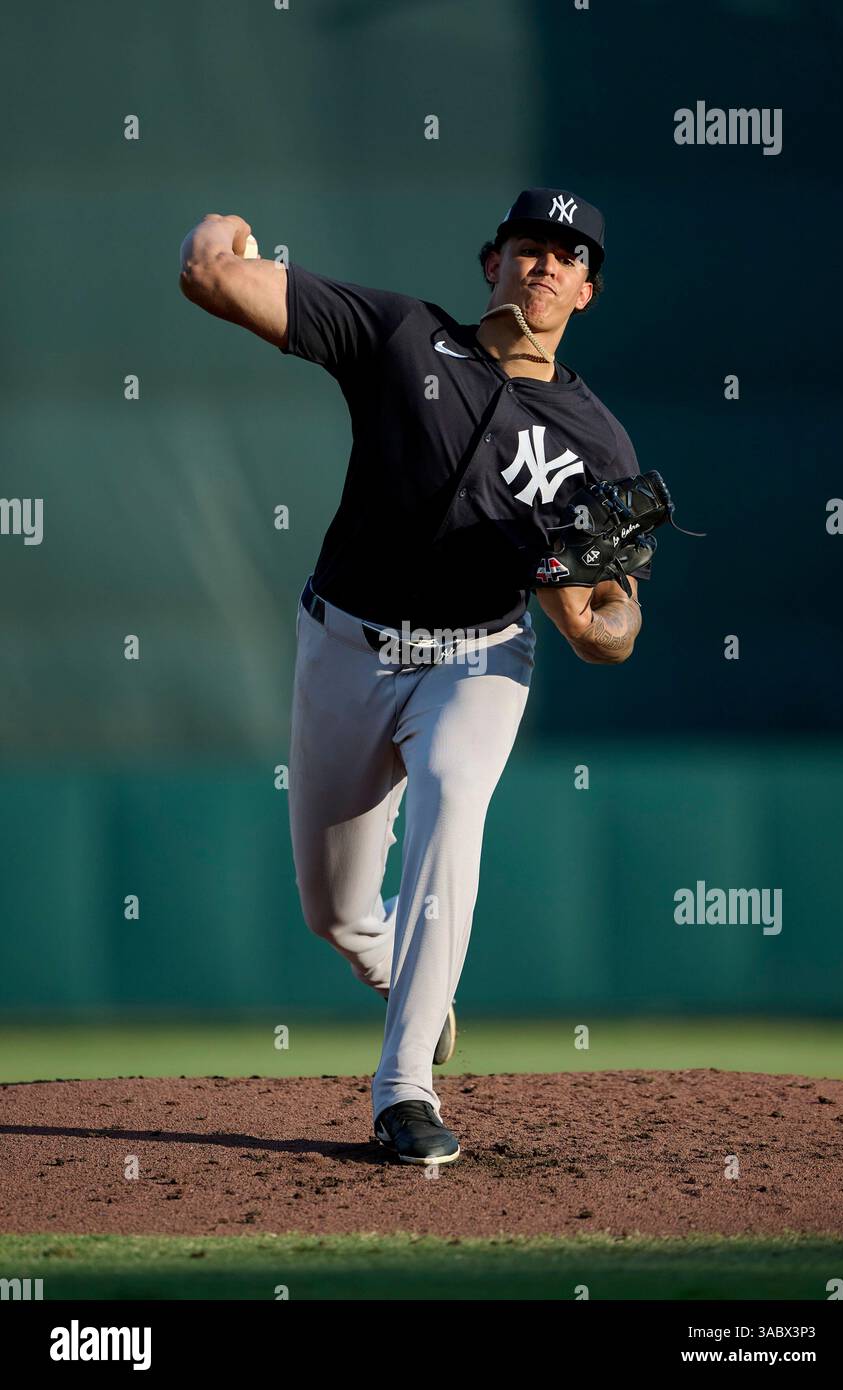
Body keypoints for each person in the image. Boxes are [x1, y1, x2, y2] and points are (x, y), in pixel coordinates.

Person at [179, 187, 649, 1165]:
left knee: (451, 797)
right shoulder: (399, 337)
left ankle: (403, 1092)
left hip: (478, 655)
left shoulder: (593, 443)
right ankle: (409, 980)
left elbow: (612, 624)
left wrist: (587, 617)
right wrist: (222, 227)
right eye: (529, 245)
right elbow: (211, 280)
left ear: (587, 291)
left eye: (568, 256)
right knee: (338, 913)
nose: (546, 264)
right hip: (345, 643)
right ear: (492, 262)